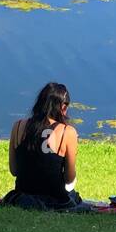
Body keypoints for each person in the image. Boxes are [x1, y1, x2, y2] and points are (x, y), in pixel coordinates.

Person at [5, 81, 82, 210]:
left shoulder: (17, 126)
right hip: (55, 200)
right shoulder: (67, 132)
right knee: (75, 197)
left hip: (22, 197)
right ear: (63, 107)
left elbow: (14, 170)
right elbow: (69, 179)